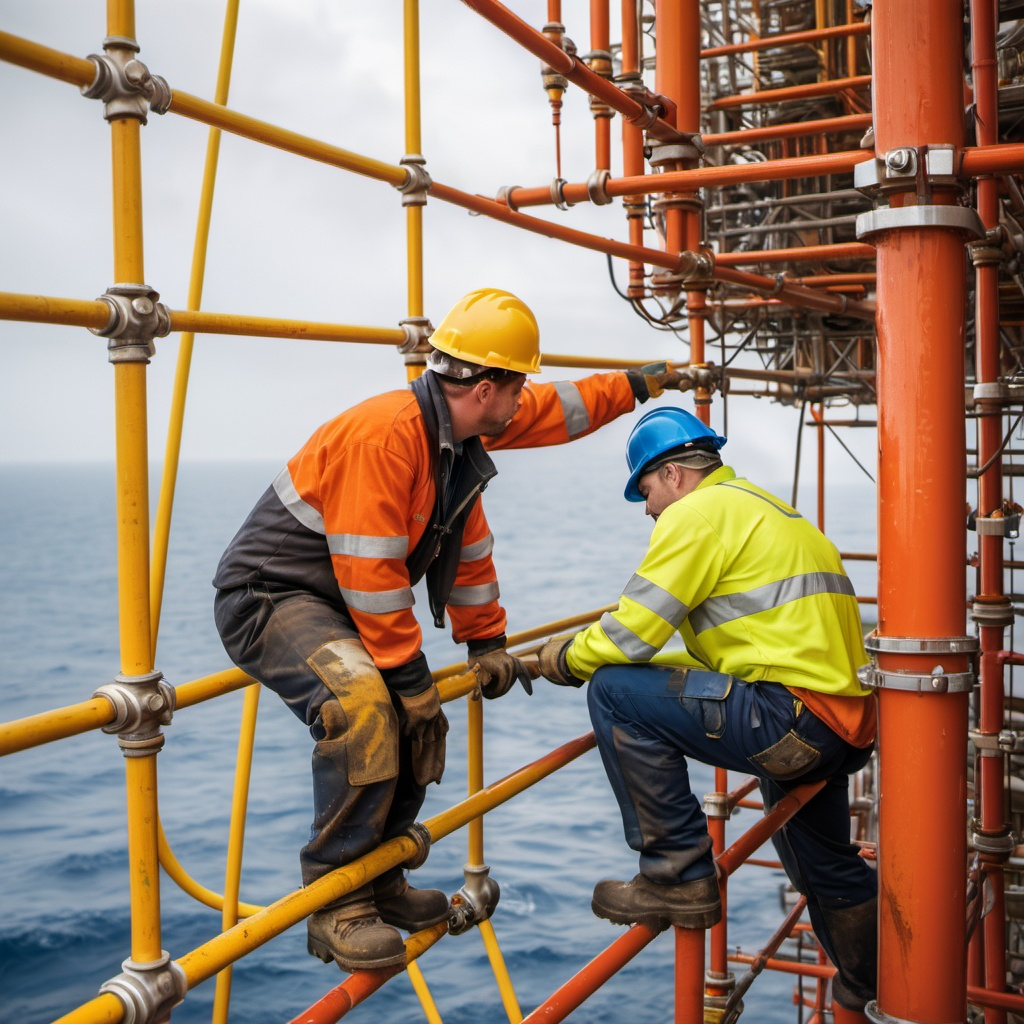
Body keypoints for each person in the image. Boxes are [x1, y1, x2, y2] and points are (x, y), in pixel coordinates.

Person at [212, 288, 686, 972]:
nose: (525, 400)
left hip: (336, 599)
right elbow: (371, 572)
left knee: (413, 713)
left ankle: (379, 875)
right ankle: (336, 899)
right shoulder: (388, 437)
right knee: (366, 706)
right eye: (516, 387)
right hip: (271, 597)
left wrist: (486, 640)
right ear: (486, 389)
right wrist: (407, 682)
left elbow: (472, 542)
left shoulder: (456, 436)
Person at [536, 405, 878, 1010]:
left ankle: (676, 874)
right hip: (842, 724)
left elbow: (629, 637)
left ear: (672, 475)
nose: (646, 508)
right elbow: (749, 649)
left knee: (613, 689)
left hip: (792, 718)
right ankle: (876, 981)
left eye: (645, 490)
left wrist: (559, 659)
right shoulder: (765, 507)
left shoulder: (697, 513)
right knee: (823, 863)